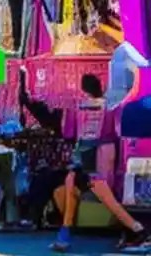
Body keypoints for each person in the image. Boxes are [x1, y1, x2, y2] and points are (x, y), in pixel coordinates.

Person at [19, 72, 147, 252]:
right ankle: (66, 234)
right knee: (76, 184)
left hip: (86, 152)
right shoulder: (110, 106)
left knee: (96, 192)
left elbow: (67, 131)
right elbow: (118, 130)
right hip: (103, 153)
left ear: (83, 88)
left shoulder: (77, 107)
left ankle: (135, 229)